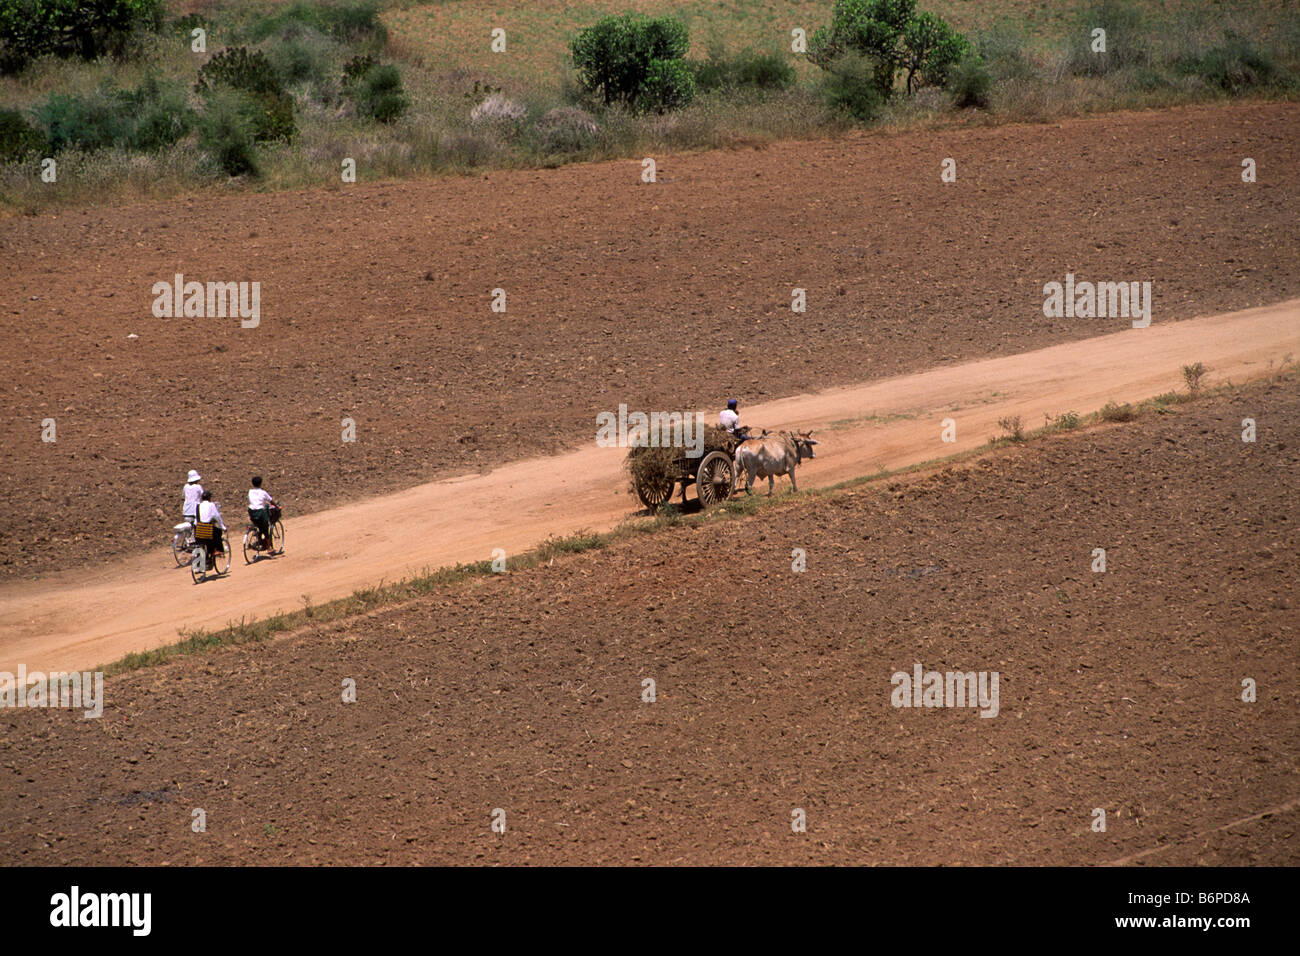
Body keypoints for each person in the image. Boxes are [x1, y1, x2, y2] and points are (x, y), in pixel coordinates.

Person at [247, 476, 277, 550]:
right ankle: (269, 548)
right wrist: (277, 506)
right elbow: (271, 500)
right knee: (265, 529)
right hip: (260, 512)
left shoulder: (250, 491)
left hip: (251, 511)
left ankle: (259, 539)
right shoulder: (263, 492)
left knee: (258, 525)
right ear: (260, 484)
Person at [197, 491, 227, 559]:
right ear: (209, 498)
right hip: (207, 528)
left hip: (198, 529)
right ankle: (219, 550)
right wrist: (222, 526)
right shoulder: (211, 505)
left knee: (204, 540)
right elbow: (217, 516)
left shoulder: (198, 506)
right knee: (218, 532)